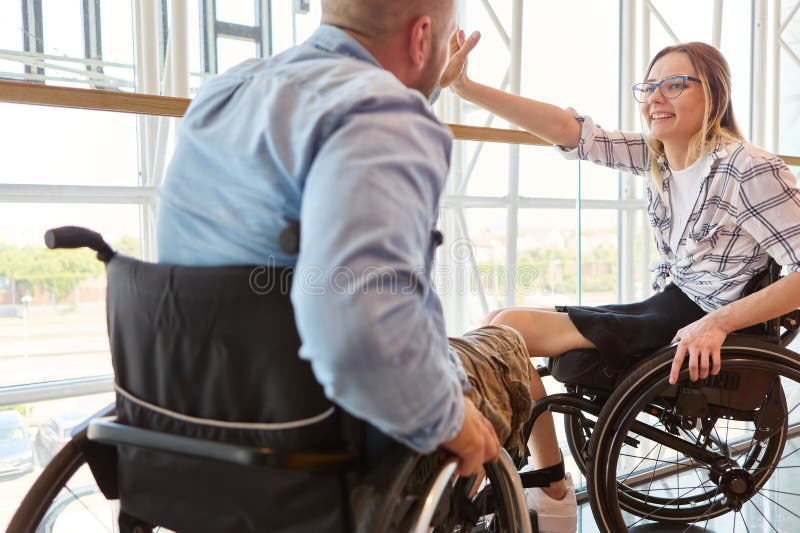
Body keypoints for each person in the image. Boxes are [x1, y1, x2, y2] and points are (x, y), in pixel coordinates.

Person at [156, 1, 577, 530]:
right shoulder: (381, 112)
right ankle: (556, 502)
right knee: (506, 343)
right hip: (312, 418)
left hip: (190, 400)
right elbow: (356, 333)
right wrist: (448, 419)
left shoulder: (227, 89)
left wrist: (428, 81)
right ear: (421, 37)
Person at [443, 34, 800, 395]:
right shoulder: (657, 157)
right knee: (497, 324)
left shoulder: (747, 168)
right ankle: (538, 454)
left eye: (674, 85)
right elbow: (569, 132)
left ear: (714, 94)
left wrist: (719, 323)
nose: (656, 98)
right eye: (649, 88)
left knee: (511, 327)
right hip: (670, 303)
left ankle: (529, 453)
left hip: (704, 317)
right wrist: (465, 88)